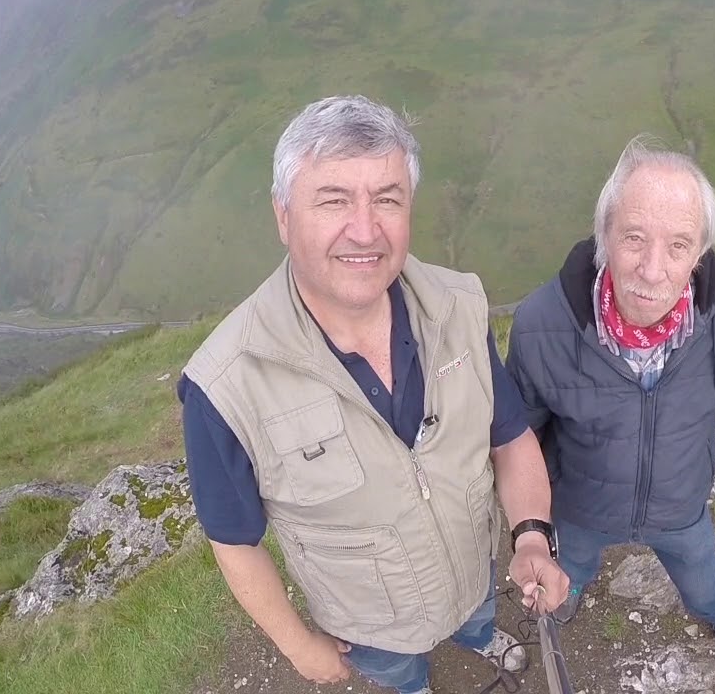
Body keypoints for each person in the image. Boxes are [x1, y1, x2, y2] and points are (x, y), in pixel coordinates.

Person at [177, 94, 569, 694]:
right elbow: (233, 541)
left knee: (476, 617)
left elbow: (510, 437)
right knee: (397, 673)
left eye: (387, 199)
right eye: (333, 200)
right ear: (283, 216)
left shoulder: (458, 308)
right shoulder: (224, 387)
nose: (365, 231)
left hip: (473, 576)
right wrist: (298, 645)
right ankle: (413, 685)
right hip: (370, 627)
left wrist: (532, 535)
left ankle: (477, 637)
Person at [504, 134, 715, 657]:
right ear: (603, 234)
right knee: (571, 560)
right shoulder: (543, 324)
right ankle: (568, 589)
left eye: (678, 245)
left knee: (700, 571)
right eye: (633, 238)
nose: (652, 270)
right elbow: (523, 430)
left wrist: (691, 429)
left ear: (700, 252)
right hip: (581, 503)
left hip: (680, 502)